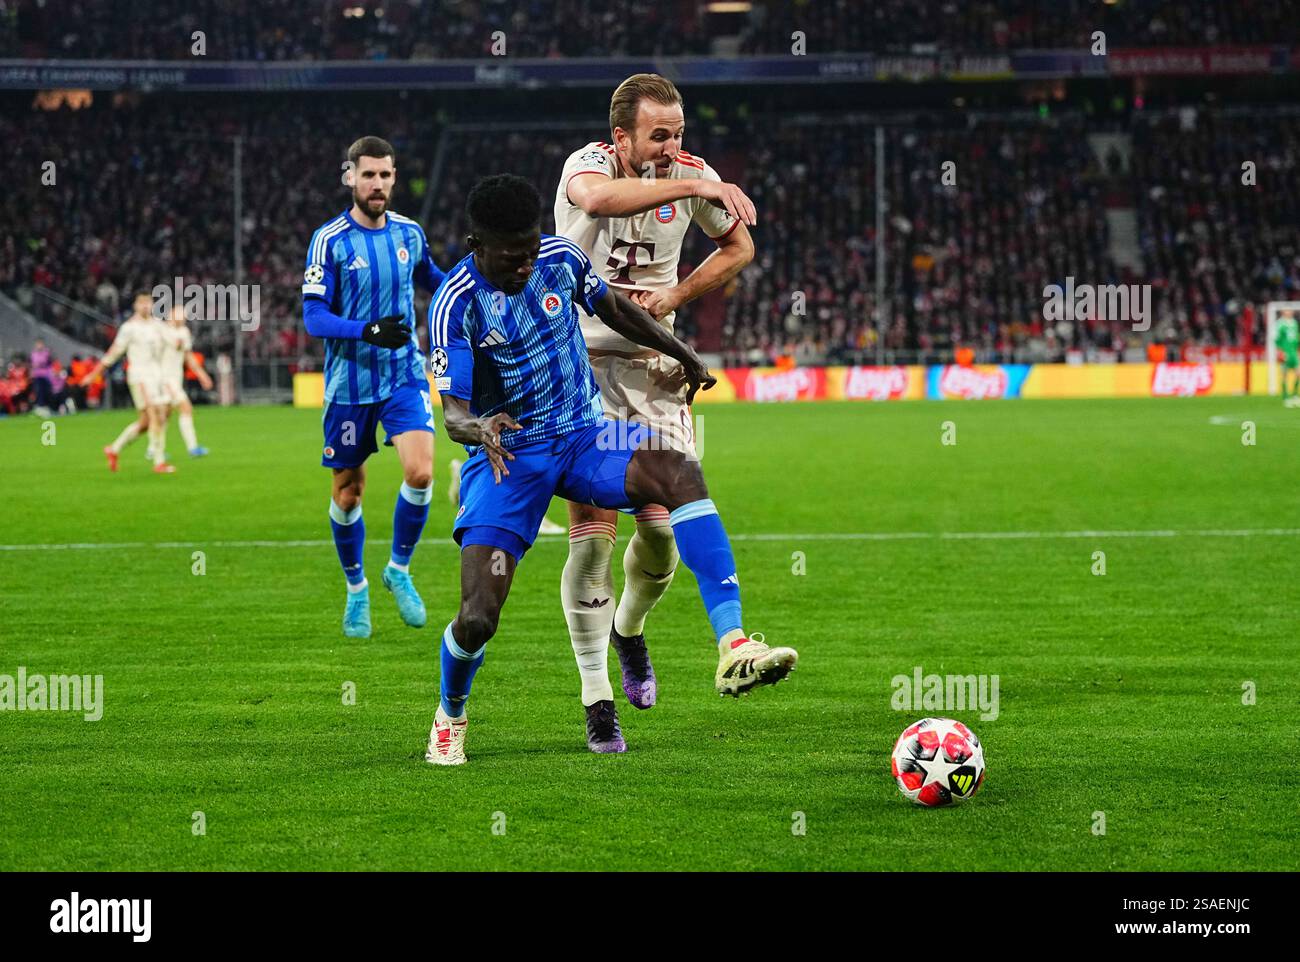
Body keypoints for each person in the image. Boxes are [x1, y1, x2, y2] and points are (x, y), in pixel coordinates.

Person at [424, 174, 796, 765]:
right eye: (509, 256)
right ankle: (451, 711)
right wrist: (479, 428)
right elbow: (454, 413)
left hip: (586, 436)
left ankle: (732, 640)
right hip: (510, 457)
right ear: (477, 243)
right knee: (477, 618)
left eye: (529, 249)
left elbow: (616, 308)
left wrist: (684, 353)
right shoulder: (456, 302)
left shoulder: (560, 258)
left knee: (679, 472)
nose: (524, 264)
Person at [553, 72, 757, 747]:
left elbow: (740, 246)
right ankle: (596, 698)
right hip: (578, 371)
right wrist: (698, 184)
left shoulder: (689, 175)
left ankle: (629, 632)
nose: (674, 147)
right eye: (659, 135)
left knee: (663, 537)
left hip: (653, 370)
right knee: (594, 532)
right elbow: (602, 199)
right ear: (622, 137)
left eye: (680, 134)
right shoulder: (588, 165)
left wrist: (674, 299)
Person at [302, 135, 446, 638]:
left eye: (386, 175)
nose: (378, 184)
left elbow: (436, 279)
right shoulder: (330, 241)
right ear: (351, 178)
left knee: (422, 472)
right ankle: (357, 588)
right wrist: (365, 329)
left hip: (404, 373)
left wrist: (479, 284)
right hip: (349, 384)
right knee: (347, 494)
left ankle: (399, 570)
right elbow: (314, 317)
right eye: (369, 175)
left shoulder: (409, 233)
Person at [83, 291, 173, 473]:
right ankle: (159, 462)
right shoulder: (129, 328)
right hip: (139, 376)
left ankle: (114, 449)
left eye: (148, 302)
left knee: (147, 422)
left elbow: (173, 342)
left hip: (157, 376)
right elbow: (114, 352)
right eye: (142, 303)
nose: (145, 306)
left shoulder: (158, 326)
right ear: (136, 306)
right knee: (156, 414)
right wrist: (94, 373)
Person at [160, 304, 214, 456]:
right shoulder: (162, 331)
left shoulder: (184, 332)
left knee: (165, 414)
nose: (183, 318)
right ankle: (192, 448)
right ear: (171, 314)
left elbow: (188, 356)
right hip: (164, 379)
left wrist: (202, 375)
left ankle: (155, 449)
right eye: (180, 314)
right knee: (186, 408)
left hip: (175, 378)